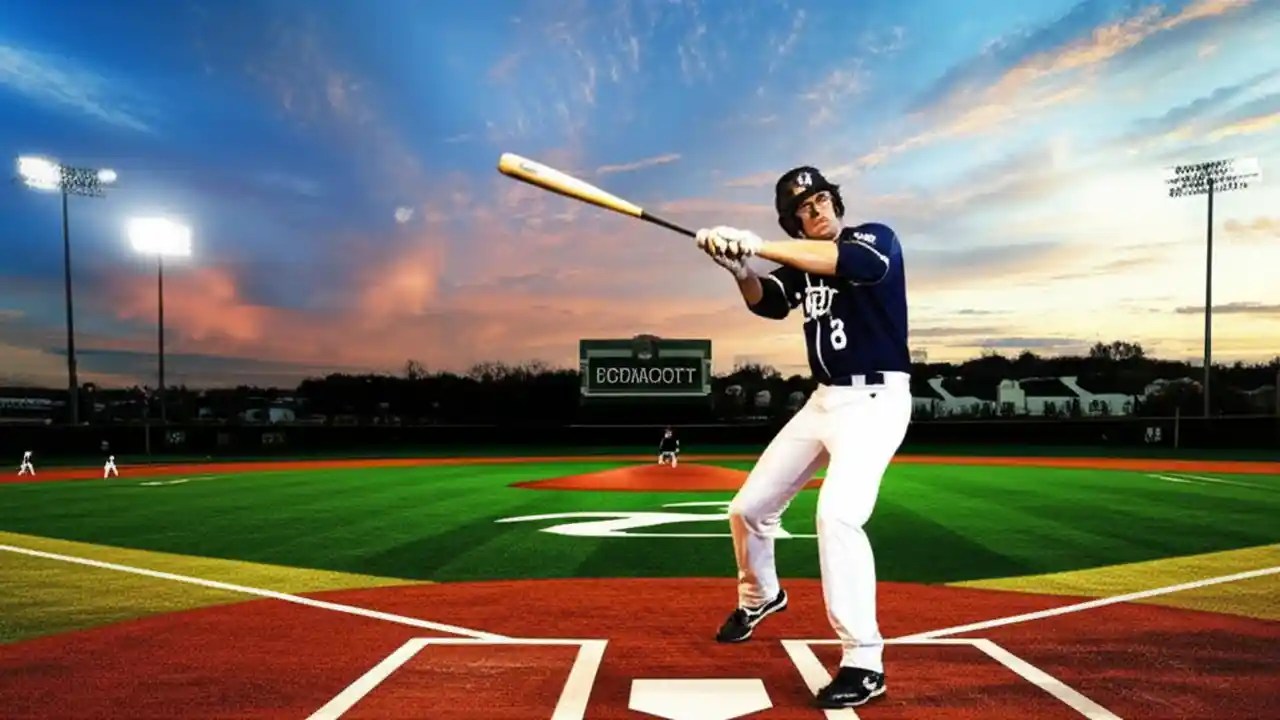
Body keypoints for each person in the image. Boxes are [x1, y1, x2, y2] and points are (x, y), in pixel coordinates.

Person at [694, 165, 912, 709]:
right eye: (804, 209)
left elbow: (854, 264)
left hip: (876, 401)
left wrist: (758, 243)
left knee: (837, 516)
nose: (817, 211)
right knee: (748, 509)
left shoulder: (872, 237)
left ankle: (865, 660)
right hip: (823, 401)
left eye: (821, 200)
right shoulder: (800, 264)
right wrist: (741, 268)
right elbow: (768, 300)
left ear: (835, 202)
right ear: (794, 223)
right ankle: (762, 595)